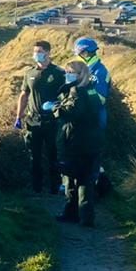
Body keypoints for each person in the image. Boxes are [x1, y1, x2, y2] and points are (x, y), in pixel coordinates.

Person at [54, 58, 105, 227]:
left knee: (71, 179)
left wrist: (55, 108)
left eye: (70, 72)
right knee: (87, 180)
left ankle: (71, 214)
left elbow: (72, 114)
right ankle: (86, 216)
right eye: (66, 72)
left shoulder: (77, 91)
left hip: (76, 143)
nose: (67, 75)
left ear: (79, 74)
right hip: (93, 142)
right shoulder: (91, 90)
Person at [14, 39, 67, 195]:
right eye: (35, 52)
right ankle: (36, 187)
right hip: (32, 121)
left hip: (52, 122)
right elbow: (24, 94)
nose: (36, 54)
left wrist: (59, 107)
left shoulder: (58, 73)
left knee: (53, 155)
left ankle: (55, 187)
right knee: (34, 156)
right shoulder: (29, 73)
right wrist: (19, 116)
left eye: (40, 52)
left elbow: (68, 95)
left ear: (48, 53)